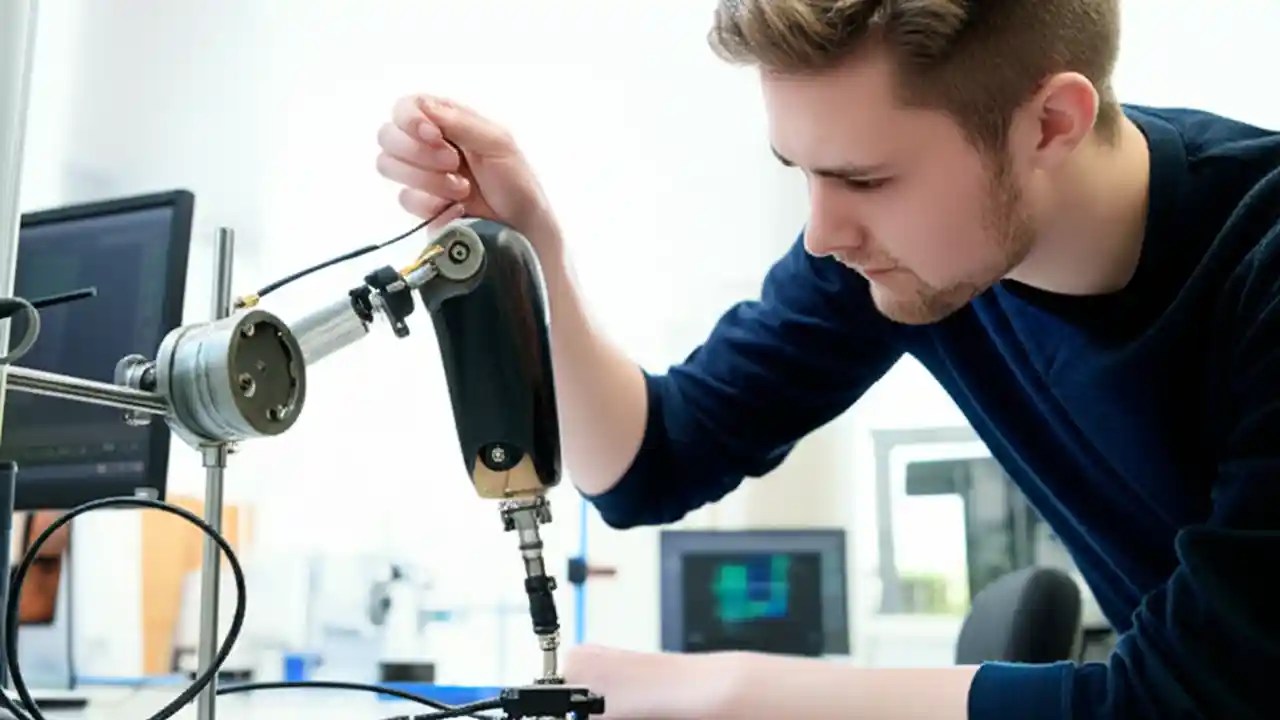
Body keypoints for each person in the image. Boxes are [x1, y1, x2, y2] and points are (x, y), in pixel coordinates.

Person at [375, 1, 1280, 717]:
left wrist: (709, 695)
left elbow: (1196, 698)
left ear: (1049, 124)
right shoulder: (904, 261)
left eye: (865, 179)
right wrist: (536, 252)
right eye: (799, 172)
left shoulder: (1262, 264)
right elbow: (648, 463)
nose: (824, 231)